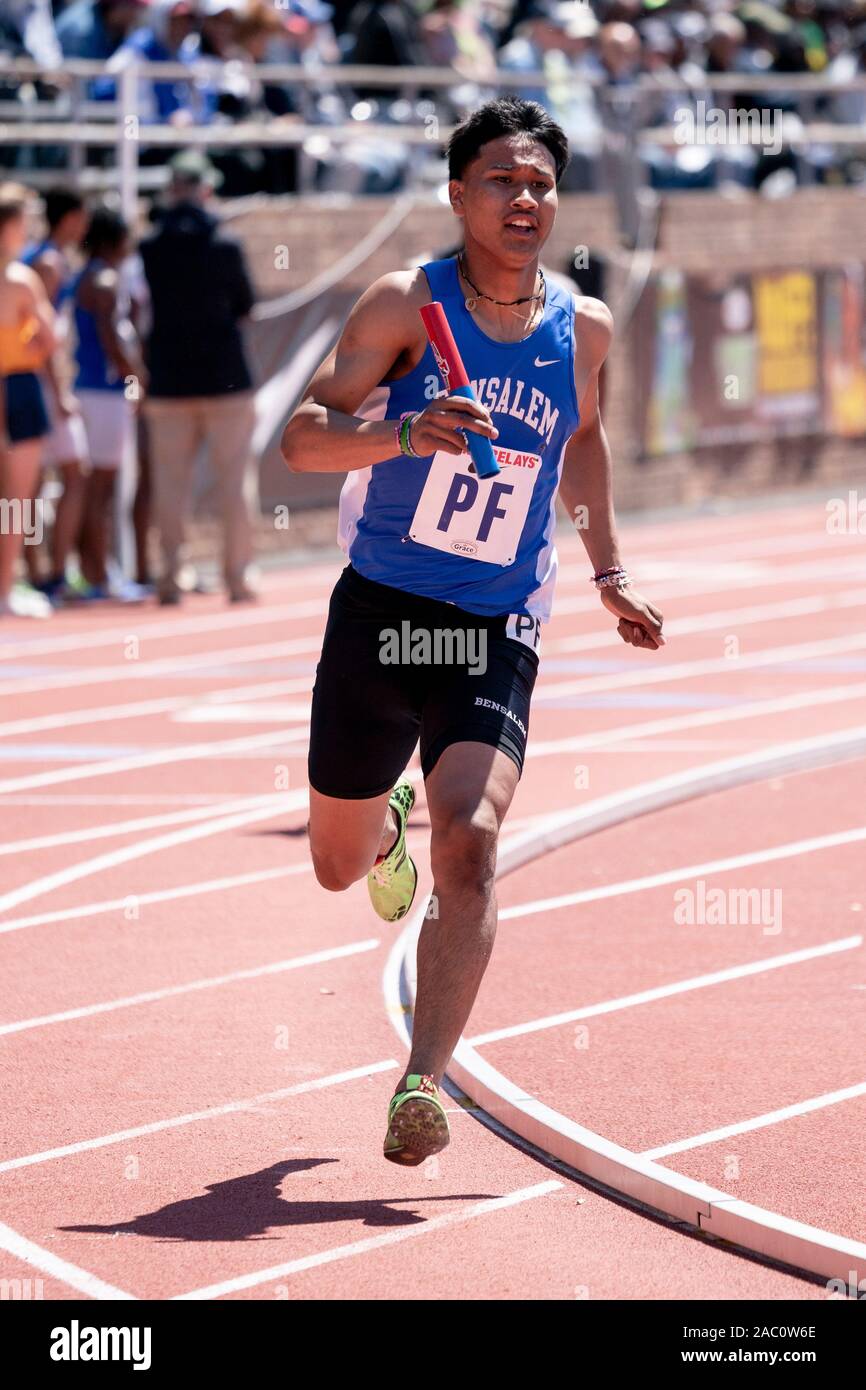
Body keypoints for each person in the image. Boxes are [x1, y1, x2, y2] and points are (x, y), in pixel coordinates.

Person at [281, 96, 665, 1166]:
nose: (523, 199)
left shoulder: (579, 324)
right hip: (380, 613)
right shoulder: (405, 304)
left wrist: (606, 570)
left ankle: (420, 1077)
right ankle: (383, 820)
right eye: (500, 180)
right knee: (333, 863)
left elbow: (581, 442)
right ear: (458, 195)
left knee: (477, 838)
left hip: (493, 621)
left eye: (539, 182)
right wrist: (403, 430)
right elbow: (299, 444)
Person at [140, 150, 257, 605]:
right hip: (226, 378)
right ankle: (239, 578)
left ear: (172, 190)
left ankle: (172, 576)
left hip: (168, 380)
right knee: (235, 483)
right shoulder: (225, 244)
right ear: (206, 190)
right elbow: (245, 306)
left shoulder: (149, 247)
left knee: (170, 485)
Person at [71, 206, 145, 597]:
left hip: (94, 389)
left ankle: (95, 569)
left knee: (95, 485)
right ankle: (98, 574)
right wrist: (136, 381)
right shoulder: (102, 279)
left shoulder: (93, 275)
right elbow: (111, 340)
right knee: (100, 486)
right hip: (103, 391)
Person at [21, 186, 90, 599]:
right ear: (69, 219)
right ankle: (49, 572)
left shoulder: (38, 258)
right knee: (65, 475)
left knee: (33, 480)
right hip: (42, 383)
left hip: (34, 381)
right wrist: (59, 388)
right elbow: (39, 333)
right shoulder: (48, 262)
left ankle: (45, 571)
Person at [0, 183, 57, 619]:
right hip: (17, 386)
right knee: (17, 500)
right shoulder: (20, 280)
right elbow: (49, 337)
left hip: (17, 385)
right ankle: (5, 588)